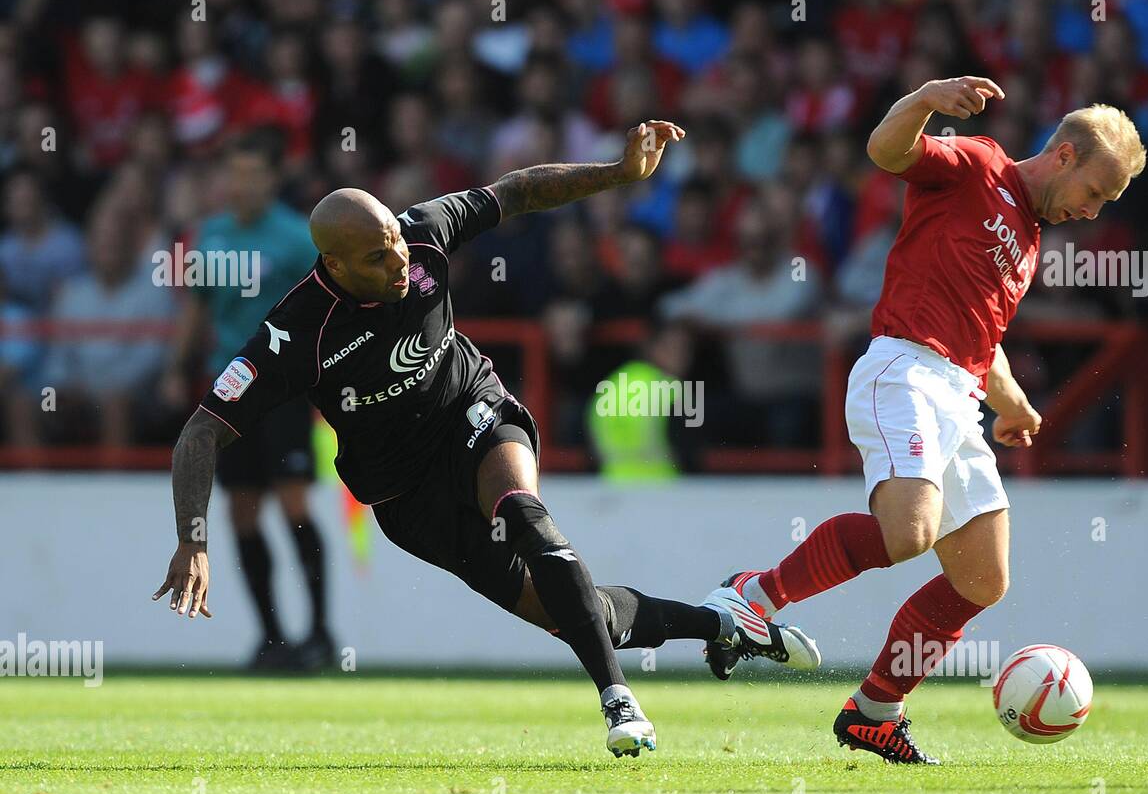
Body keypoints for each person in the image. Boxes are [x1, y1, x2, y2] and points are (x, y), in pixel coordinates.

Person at [152, 121, 821, 758]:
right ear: (334, 263)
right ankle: (725, 619)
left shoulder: (423, 233)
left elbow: (519, 189)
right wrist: (193, 536)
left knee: (521, 511)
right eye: (377, 256)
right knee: (582, 613)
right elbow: (202, 432)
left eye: (396, 241)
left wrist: (618, 172)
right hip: (406, 494)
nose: (399, 260)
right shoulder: (297, 332)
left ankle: (618, 699)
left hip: (473, 409)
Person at [709, 80, 1146, 763]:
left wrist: (1015, 406)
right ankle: (754, 595)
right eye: (1096, 192)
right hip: (904, 369)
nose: (1092, 212)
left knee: (983, 578)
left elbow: (984, 338)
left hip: (959, 394)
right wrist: (926, 97)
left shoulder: (1028, 241)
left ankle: (875, 710)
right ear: (1064, 155)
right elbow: (886, 151)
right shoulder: (977, 165)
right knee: (908, 532)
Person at [162, 130, 333, 671]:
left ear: (273, 178)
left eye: (253, 173)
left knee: (294, 504)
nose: (242, 184)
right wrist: (174, 366)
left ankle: (322, 633)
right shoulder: (208, 236)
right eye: (234, 173)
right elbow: (197, 309)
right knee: (241, 511)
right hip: (228, 389)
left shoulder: (297, 238)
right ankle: (272, 638)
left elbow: (327, 308)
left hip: (283, 389)